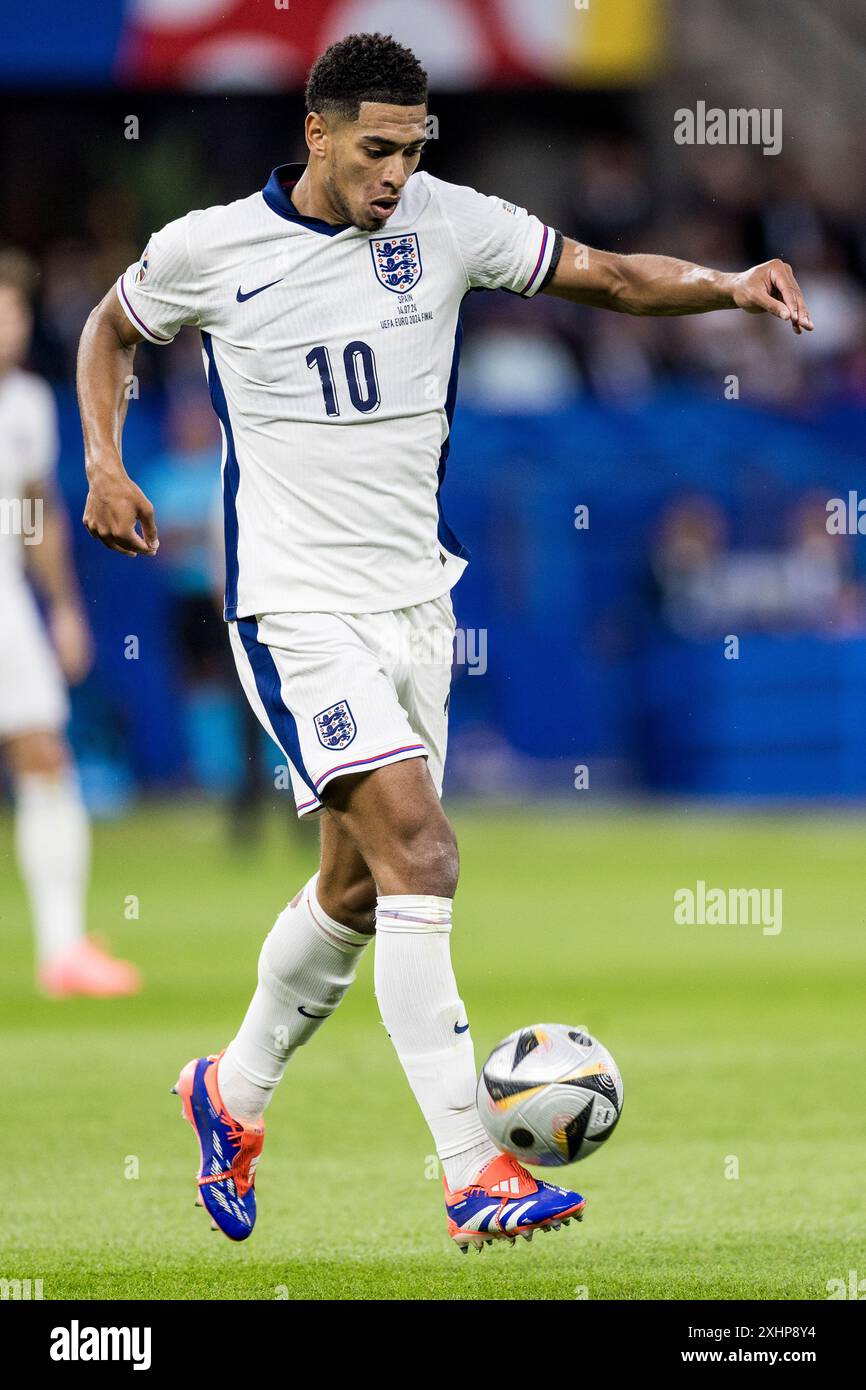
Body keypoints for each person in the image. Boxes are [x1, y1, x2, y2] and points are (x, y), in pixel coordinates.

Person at [76, 33, 813, 1247]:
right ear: (314, 133)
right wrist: (103, 465)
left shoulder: (446, 221)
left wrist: (725, 284)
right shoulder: (212, 248)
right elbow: (110, 329)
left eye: (415, 148)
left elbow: (612, 279)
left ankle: (232, 1091)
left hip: (416, 605)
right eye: (376, 149)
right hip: (295, 605)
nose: (396, 173)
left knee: (358, 886)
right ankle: (472, 1170)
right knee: (422, 850)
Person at [0, 249, 140, 998]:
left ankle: (63, 949)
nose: (9, 325)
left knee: (45, 755)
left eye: (16, 312)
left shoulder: (24, 404)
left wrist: (61, 611)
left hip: (6, 606)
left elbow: (35, 515)